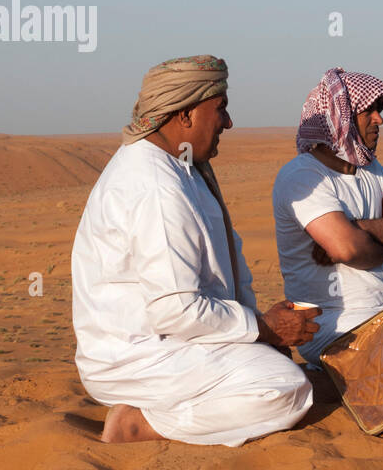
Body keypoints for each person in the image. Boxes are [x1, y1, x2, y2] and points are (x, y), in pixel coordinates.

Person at [72, 55, 319, 446]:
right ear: (185, 115)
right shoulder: (154, 185)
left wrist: (257, 336)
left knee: (278, 371)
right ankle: (142, 425)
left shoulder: (183, 171)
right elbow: (176, 309)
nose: (228, 122)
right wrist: (263, 329)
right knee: (284, 389)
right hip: (137, 355)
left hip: (178, 341)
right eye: (219, 109)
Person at [273, 68, 383, 364]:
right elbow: (347, 249)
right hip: (332, 325)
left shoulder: (370, 169)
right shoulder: (303, 175)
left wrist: (357, 229)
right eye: (369, 111)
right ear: (338, 117)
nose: (379, 119)